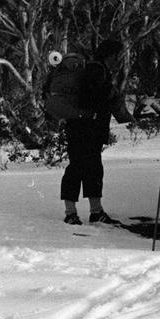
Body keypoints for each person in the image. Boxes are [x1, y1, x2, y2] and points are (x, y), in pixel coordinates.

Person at [60, 39, 134, 225]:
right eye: (118, 56)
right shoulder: (96, 70)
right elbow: (92, 98)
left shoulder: (98, 69)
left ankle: (93, 211)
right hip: (84, 128)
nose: (120, 60)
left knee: (90, 168)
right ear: (111, 55)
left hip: (85, 127)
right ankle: (73, 213)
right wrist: (110, 93)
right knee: (79, 168)